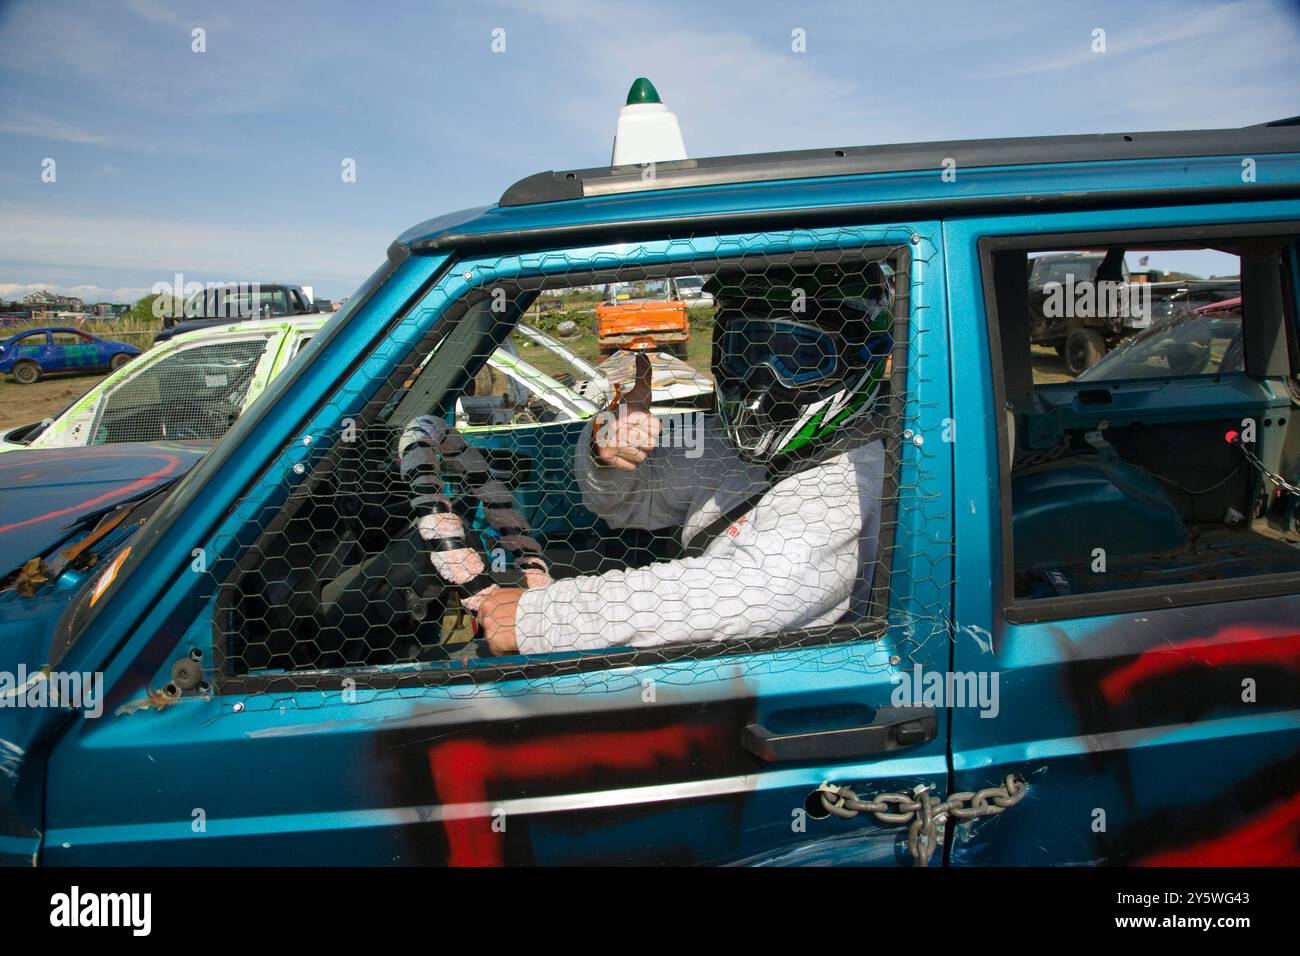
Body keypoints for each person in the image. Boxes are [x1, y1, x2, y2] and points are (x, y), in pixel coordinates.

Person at [477, 262, 895, 656]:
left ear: (859, 359)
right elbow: (628, 504)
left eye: (799, 356)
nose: (762, 379)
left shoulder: (856, 472)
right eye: (745, 350)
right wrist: (606, 453)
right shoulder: (716, 439)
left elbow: (755, 593)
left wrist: (542, 618)